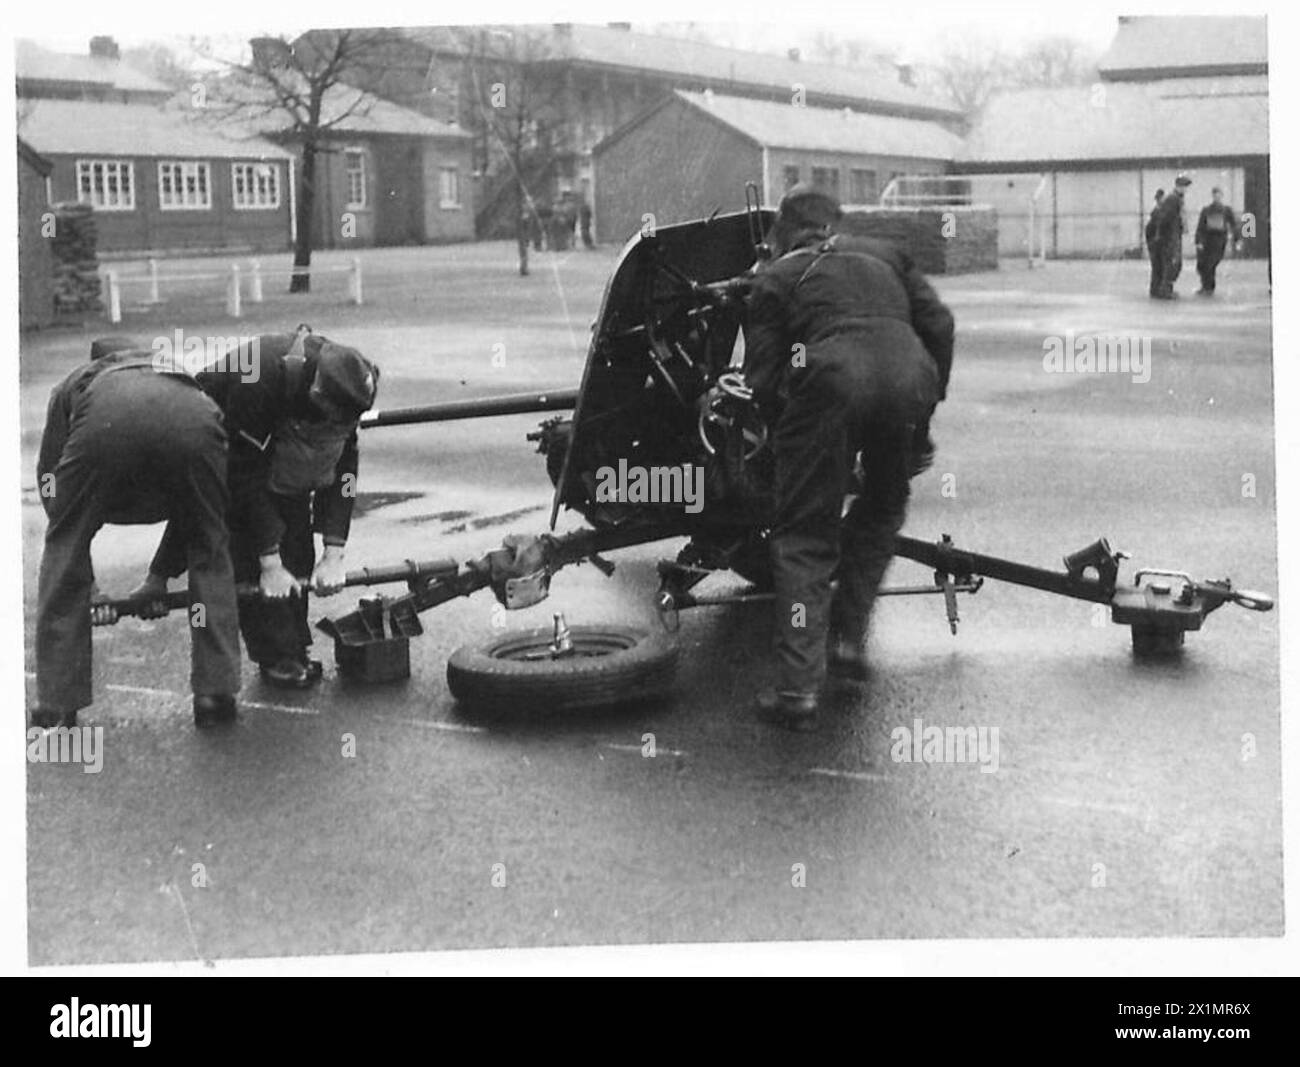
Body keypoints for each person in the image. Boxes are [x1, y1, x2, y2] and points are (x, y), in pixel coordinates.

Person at [743, 185, 955, 729]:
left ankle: (796, 690)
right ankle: (849, 646)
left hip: (831, 386)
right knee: (882, 511)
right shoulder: (886, 255)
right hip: (909, 381)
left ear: (786, 230)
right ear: (836, 224)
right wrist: (926, 412)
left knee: (805, 538)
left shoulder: (777, 278)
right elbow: (941, 326)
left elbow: (763, 379)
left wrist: (781, 440)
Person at [134, 328, 379, 689]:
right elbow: (244, 478)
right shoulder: (259, 380)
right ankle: (275, 655)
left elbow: (345, 467)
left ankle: (292, 648)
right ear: (318, 396)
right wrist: (270, 561)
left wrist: (334, 552)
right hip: (213, 427)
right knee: (236, 534)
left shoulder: (348, 383)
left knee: (294, 527)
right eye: (336, 420)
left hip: (273, 431)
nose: (342, 428)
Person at [33, 338, 242, 729]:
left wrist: (85, 582)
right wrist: (157, 581)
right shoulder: (179, 375)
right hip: (195, 421)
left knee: (65, 542)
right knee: (210, 544)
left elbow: (49, 481)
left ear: (101, 360)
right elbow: (198, 514)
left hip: (105, 429)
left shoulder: (76, 381)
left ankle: (59, 705)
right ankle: (216, 693)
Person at [1149, 174, 1192, 299]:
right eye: (1183, 186)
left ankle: (1159, 289)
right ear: (1178, 186)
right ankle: (1165, 290)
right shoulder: (1173, 199)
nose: (1185, 189)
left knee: (1166, 263)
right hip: (1170, 237)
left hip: (1170, 236)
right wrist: (1162, 234)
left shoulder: (1176, 199)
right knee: (1172, 263)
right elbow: (1165, 219)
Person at [1194, 187, 1239, 295]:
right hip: (1207, 240)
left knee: (1211, 264)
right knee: (1202, 265)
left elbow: (1234, 225)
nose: (1216, 198)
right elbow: (1200, 227)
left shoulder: (1226, 210)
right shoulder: (1206, 210)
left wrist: (1237, 239)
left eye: (1218, 195)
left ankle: (1209, 287)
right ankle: (1205, 286)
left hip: (1219, 240)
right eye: (1215, 195)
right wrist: (1198, 241)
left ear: (1221, 196)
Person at [1145, 189, 1165, 297]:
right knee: (1158, 267)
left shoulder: (1157, 212)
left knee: (1158, 267)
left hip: (1155, 243)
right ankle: (1156, 290)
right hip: (1156, 244)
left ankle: (1156, 289)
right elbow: (1152, 230)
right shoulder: (1157, 213)